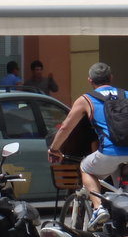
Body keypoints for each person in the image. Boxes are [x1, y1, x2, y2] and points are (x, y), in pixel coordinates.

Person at [47, 62, 128, 216]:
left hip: (109, 152)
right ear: (111, 78)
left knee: (86, 168)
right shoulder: (126, 94)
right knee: (121, 192)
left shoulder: (86, 99)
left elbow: (65, 128)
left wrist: (54, 149)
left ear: (90, 80)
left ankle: (98, 209)